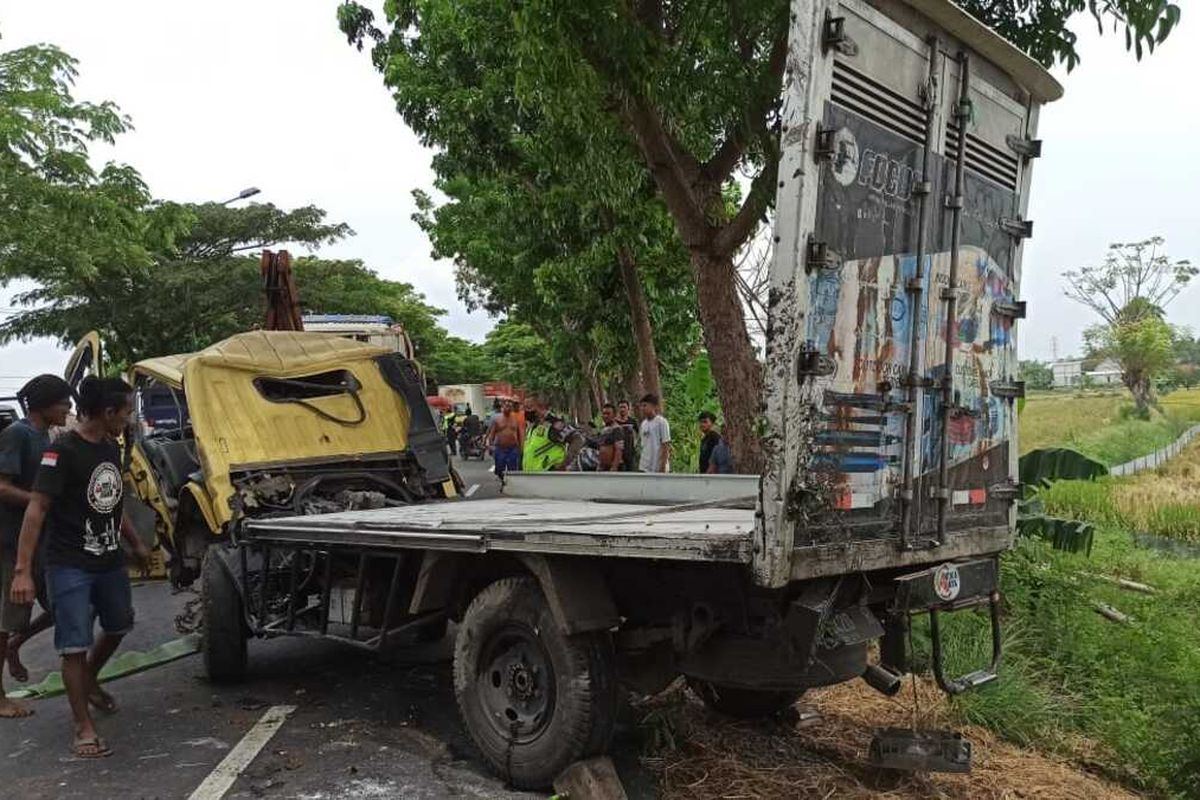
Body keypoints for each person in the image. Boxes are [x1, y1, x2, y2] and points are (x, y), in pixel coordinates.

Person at [8, 376, 151, 758]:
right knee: (73, 644)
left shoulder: (110, 446)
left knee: (119, 623)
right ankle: (82, 726)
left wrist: (135, 542)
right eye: (126, 411)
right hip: (69, 563)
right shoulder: (62, 452)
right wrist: (22, 570)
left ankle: (88, 678)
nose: (130, 418)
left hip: (109, 560)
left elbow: (112, 500)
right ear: (107, 412)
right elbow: (37, 509)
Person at [0, 375, 73, 719]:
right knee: (6, 620)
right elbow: (2, 487)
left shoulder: (46, 436)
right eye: (64, 403)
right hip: (12, 542)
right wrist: (39, 502)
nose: (68, 409)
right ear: (44, 405)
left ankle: (16, 645)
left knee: (65, 608)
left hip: (43, 541)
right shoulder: (18, 435)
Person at [486, 400, 524, 478]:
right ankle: (502, 480)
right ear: (502, 407)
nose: (508, 408)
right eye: (506, 406)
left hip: (512, 448)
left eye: (509, 406)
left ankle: (510, 484)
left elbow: (520, 434)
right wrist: (490, 446)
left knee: (513, 470)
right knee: (499, 469)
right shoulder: (497, 420)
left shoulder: (515, 420)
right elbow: (492, 434)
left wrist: (521, 447)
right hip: (500, 448)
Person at [638, 394, 671, 473]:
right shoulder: (643, 424)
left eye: (645, 405)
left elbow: (665, 445)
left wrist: (662, 466)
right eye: (641, 406)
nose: (642, 408)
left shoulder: (661, 422)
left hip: (658, 466)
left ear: (654, 406)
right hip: (645, 466)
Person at [595, 404, 626, 472]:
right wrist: (599, 465)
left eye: (608, 414)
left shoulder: (617, 429)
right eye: (604, 413)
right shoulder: (603, 430)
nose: (605, 416)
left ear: (614, 415)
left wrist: (614, 467)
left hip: (613, 468)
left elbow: (619, 450)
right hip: (603, 468)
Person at [614, 399, 638, 472]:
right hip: (617, 454)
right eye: (620, 407)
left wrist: (636, 445)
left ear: (628, 408)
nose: (622, 409)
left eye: (624, 407)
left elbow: (638, 434)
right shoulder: (614, 422)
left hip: (630, 453)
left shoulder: (632, 421)